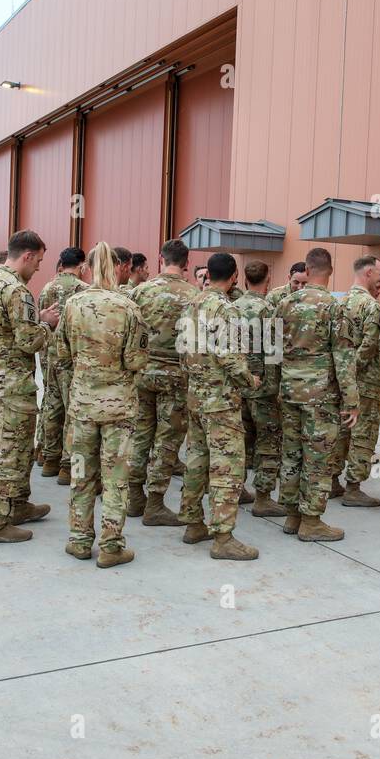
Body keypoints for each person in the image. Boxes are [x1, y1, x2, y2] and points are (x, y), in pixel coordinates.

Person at [58, 242, 148, 568]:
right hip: (118, 409)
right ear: (117, 266)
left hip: (82, 407)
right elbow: (136, 359)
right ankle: (111, 544)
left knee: (81, 474)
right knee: (115, 476)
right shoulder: (129, 308)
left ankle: (79, 539)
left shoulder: (72, 305)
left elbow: (62, 355)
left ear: (90, 266)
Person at [0, 231, 60, 543]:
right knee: (9, 453)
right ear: (27, 256)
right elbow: (28, 341)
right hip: (14, 385)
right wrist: (47, 324)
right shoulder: (18, 291)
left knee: (4, 446)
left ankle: (18, 504)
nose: (38, 267)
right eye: (38, 260)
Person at [178, 253, 261, 559]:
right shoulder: (227, 310)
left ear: (209, 275)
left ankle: (193, 522)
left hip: (196, 397)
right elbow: (229, 357)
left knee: (197, 458)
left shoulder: (192, 304)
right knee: (227, 466)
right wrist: (248, 379)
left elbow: (182, 352)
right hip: (220, 400)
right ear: (234, 276)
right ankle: (223, 537)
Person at [275, 247, 358, 541]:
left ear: (307, 271)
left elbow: (270, 352)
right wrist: (351, 400)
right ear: (331, 271)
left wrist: (277, 388)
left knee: (292, 453)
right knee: (318, 457)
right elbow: (344, 356)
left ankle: (292, 515)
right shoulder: (335, 308)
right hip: (320, 395)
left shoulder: (284, 303)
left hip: (289, 391)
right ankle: (311, 521)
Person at [128, 238, 199, 525]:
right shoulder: (194, 296)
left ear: (160, 259)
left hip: (143, 373)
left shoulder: (139, 292)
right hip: (176, 376)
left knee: (141, 433)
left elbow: (129, 333)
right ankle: (155, 502)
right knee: (168, 440)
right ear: (187, 263)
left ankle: (134, 496)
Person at [232, 260, 287, 517]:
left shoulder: (232, 307)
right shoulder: (269, 310)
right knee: (268, 441)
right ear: (268, 279)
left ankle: (238, 488)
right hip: (263, 386)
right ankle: (263, 497)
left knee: (241, 440)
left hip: (237, 384)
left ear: (244, 280)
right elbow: (275, 353)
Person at [334, 255, 380, 507]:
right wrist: (351, 372)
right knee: (363, 434)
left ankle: (333, 481)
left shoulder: (339, 303)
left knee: (341, 431)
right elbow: (370, 346)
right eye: (379, 274)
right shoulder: (371, 307)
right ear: (368, 272)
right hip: (364, 384)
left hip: (340, 383)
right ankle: (353, 487)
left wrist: (341, 374)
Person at [37, 248, 88, 484]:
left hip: (49, 355)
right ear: (81, 265)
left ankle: (49, 459)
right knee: (72, 410)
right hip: (70, 357)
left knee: (52, 404)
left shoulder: (47, 288)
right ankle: (68, 466)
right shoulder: (81, 290)